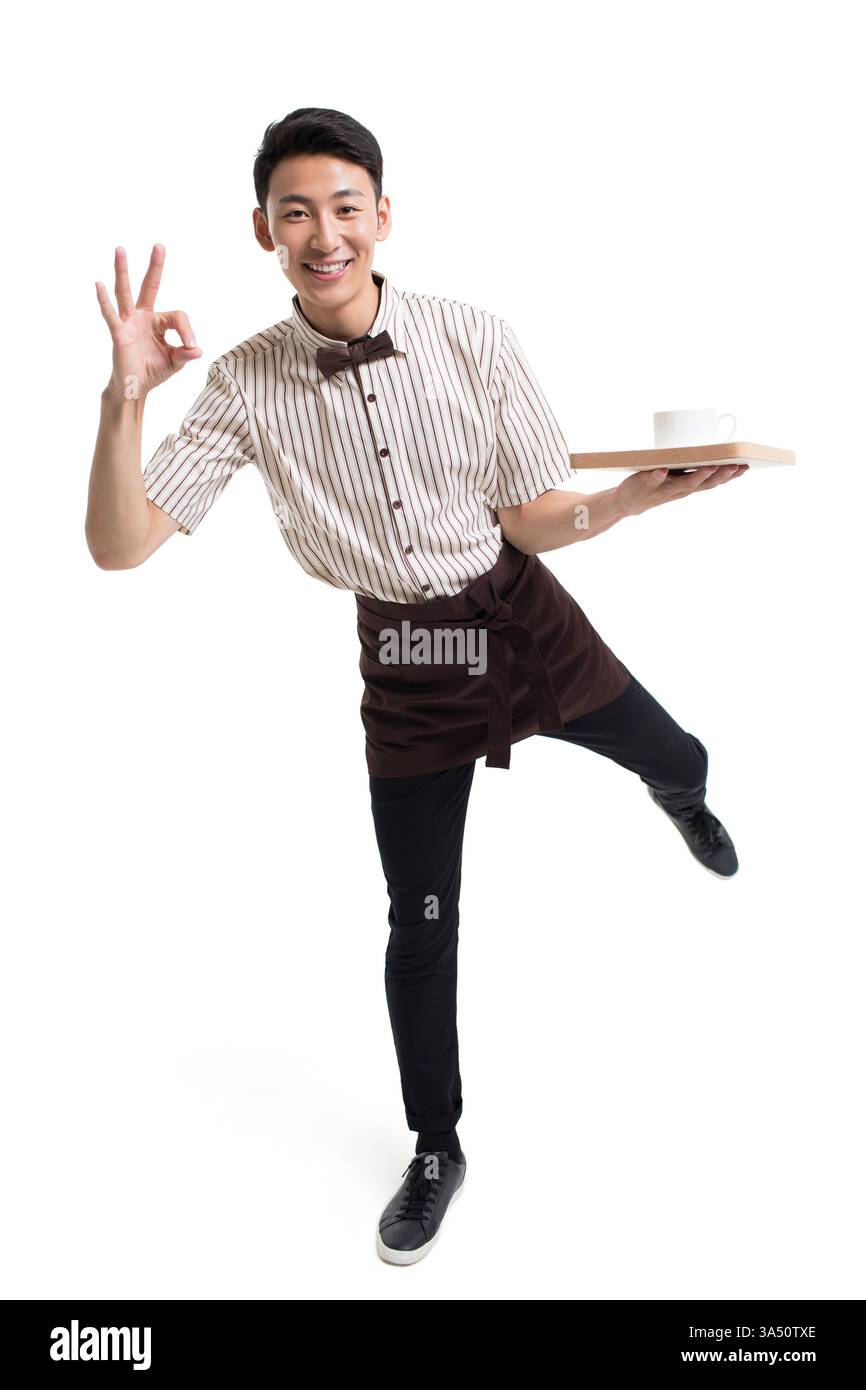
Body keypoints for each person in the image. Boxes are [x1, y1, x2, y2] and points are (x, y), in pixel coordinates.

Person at [86, 107, 747, 1267]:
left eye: (345, 206)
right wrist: (125, 397)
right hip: (409, 661)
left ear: (382, 216)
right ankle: (435, 1142)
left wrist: (631, 498)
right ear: (264, 231)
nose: (324, 232)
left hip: (520, 613)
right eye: (297, 212)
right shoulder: (243, 384)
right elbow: (119, 545)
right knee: (421, 919)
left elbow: (532, 512)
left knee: (675, 752)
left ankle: (677, 789)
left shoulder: (473, 336)